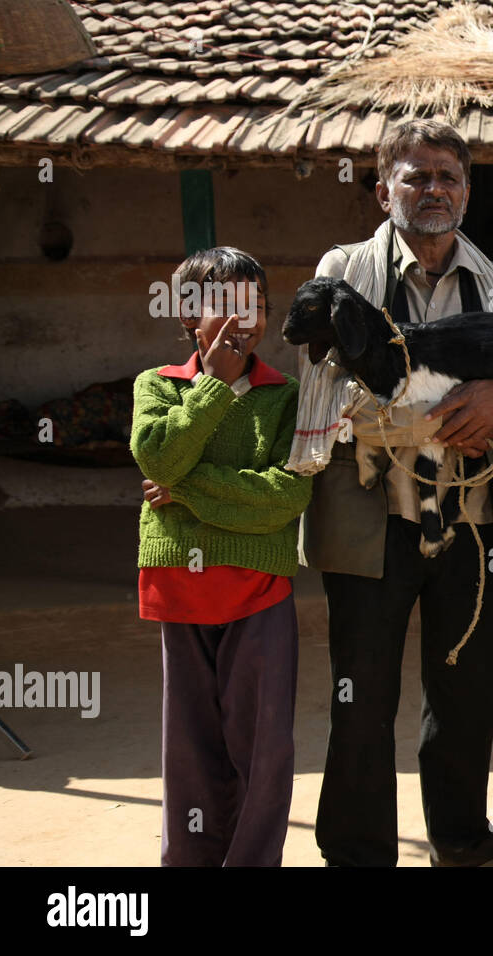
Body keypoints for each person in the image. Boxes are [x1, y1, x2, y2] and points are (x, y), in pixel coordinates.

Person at [289, 120, 493, 867]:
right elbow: (325, 390)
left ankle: (464, 841)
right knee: (361, 694)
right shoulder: (344, 272)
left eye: (448, 176)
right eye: (416, 177)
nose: (433, 189)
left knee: (465, 690)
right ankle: (356, 851)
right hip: (369, 516)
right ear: (384, 191)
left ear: (467, 192)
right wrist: (426, 420)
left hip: (471, 522)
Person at [131, 247, 312, 865]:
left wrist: (183, 487)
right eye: (226, 305)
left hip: (259, 591)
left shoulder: (284, 397)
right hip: (180, 591)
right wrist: (208, 388)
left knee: (263, 749)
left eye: (256, 306)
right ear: (188, 316)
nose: (246, 319)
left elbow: (287, 495)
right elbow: (155, 454)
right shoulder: (156, 387)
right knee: (189, 750)